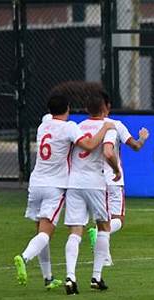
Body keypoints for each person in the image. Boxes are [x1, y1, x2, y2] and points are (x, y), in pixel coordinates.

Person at [13, 82, 114, 288]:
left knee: (41, 230)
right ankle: (24, 257)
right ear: (67, 109)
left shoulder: (44, 124)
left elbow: (51, 115)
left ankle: (48, 278)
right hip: (55, 186)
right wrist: (105, 127)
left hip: (36, 183)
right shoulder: (69, 127)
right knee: (45, 233)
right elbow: (89, 145)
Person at [63, 89, 120, 295]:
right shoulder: (109, 127)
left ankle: (70, 276)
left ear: (87, 109)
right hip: (95, 183)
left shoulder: (78, 127)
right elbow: (107, 152)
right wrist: (115, 169)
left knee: (75, 231)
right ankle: (96, 276)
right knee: (103, 226)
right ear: (106, 108)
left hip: (74, 183)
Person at [85, 83, 150, 265]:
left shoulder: (83, 126)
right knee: (117, 220)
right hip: (113, 179)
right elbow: (135, 146)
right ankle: (99, 236)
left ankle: (105, 258)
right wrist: (143, 137)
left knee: (101, 218)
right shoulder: (116, 125)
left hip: (92, 180)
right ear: (108, 106)